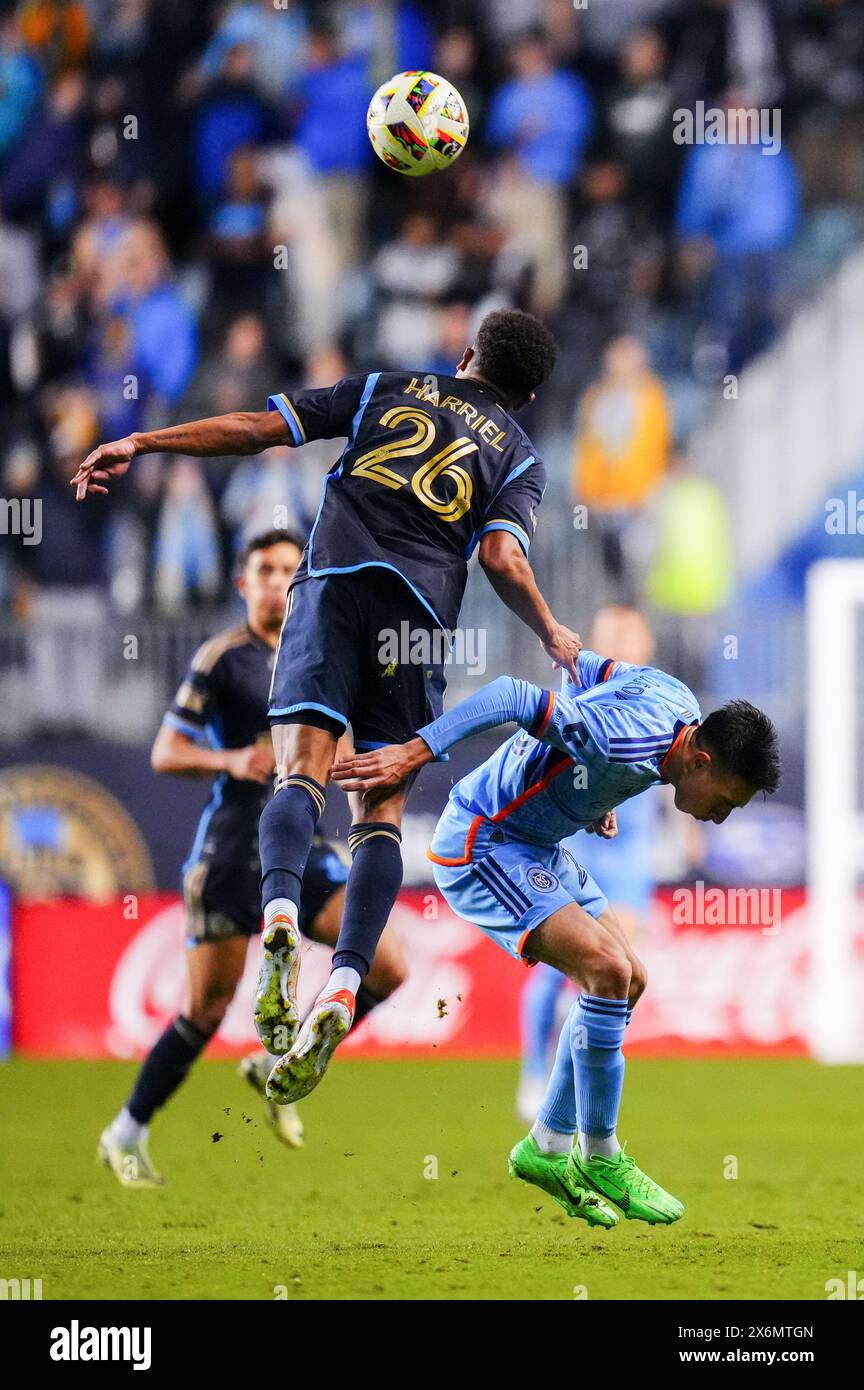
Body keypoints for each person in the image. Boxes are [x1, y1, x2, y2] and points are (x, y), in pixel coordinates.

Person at [72, 307, 582, 1110]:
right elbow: (499, 554)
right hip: (415, 620)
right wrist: (551, 628)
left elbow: (256, 428)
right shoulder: (519, 454)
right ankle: (344, 982)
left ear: (468, 354)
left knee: (297, 773)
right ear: (524, 394)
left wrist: (145, 442)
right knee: (378, 807)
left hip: (334, 589)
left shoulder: (385, 386)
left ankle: (278, 912)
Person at [333, 648, 780, 1227]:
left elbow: (586, 670)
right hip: (484, 840)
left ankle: (546, 1144)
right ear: (700, 760)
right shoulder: (618, 743)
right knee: (607, 970)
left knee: (630, 978)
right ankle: (599, 1154)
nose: (720, 817)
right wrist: (413, 753)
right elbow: (510, 696)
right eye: (725, 801)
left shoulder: (677, 701)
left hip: (538, 843)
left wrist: (587, 790)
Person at [98, 530, 405, 1188]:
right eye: (264, 569)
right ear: (244, 584)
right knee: (205, 1010)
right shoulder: (222, 658)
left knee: (391, 964)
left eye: (290, 570)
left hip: (309, 849)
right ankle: (125, 1130)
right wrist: (231, 758)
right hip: (234, 849)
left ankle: (284, 1062)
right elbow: (165, 751)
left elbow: (340, 737)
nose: (276, 581)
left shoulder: (325, 656)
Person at [516, 604, 660, 1124]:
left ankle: (573, 1081)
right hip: (577, 848)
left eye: (631, 633)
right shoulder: (579, 691)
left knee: (614, 969)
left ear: (647, 645)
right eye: (613, 634)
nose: (623, 642)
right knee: (561, 974)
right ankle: (535, 1074)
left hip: (630, 858)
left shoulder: (659, 697)